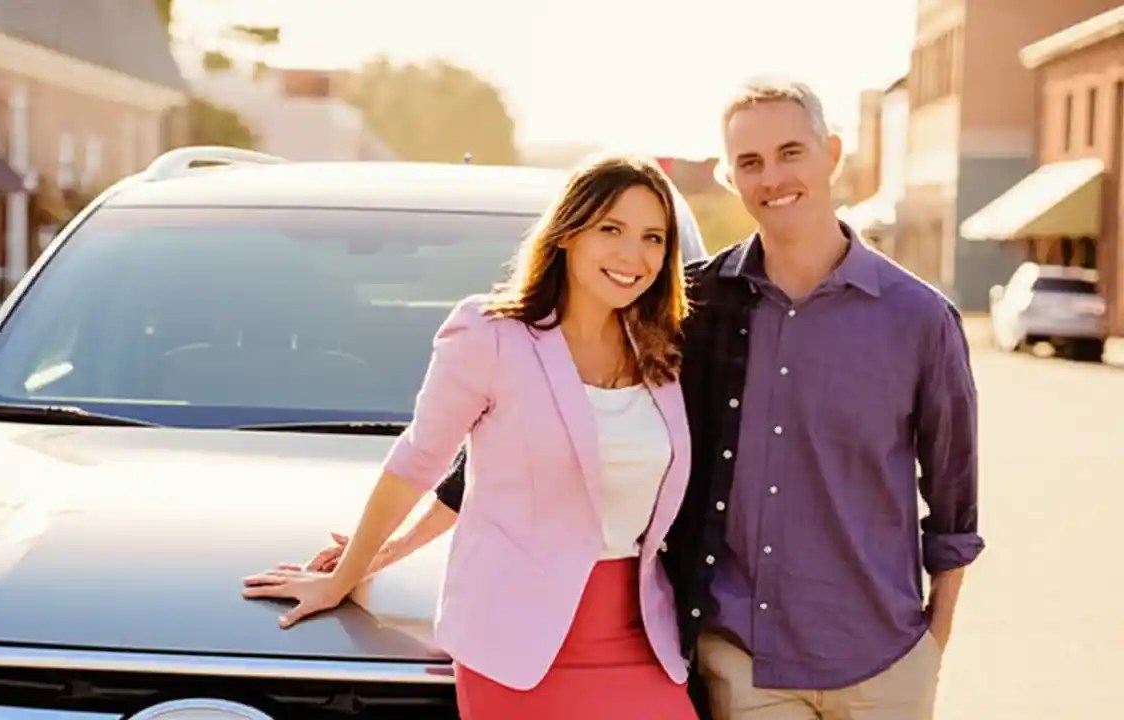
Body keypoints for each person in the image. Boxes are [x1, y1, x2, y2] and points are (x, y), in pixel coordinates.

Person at [307, 78, 985, 720]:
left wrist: (934, 645)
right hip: (735, 657)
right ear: (730, 178)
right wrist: (369, 559)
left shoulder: (913, 319)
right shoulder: (699, 310)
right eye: (750, 161)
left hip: (864, 655)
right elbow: (487, 455)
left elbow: (955, 502)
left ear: (832, 154)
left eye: (790, 153)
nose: (772, 177)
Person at [242, 155, 701, 720]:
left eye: (653, 237)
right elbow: (423, 463)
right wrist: (350, 572)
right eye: (611, 229)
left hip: (636, 634)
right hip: (512, 640)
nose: (633, 255)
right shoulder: (492, 336)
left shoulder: (664, 353)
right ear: (567, 234)